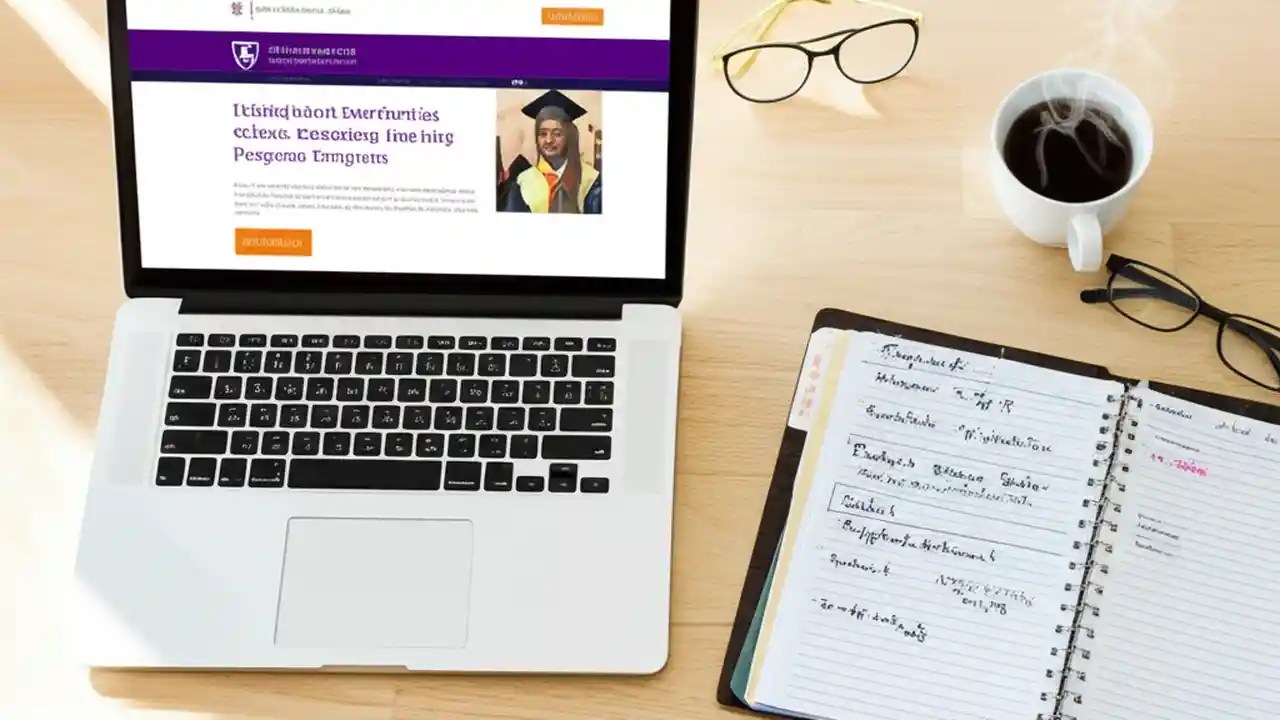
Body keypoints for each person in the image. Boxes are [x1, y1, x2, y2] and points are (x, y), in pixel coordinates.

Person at [501, 90, 602, 214]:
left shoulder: (591, 180)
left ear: (568, 136)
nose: (549, 140)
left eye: (557, 134)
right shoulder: (523, 182)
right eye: (543, 134)